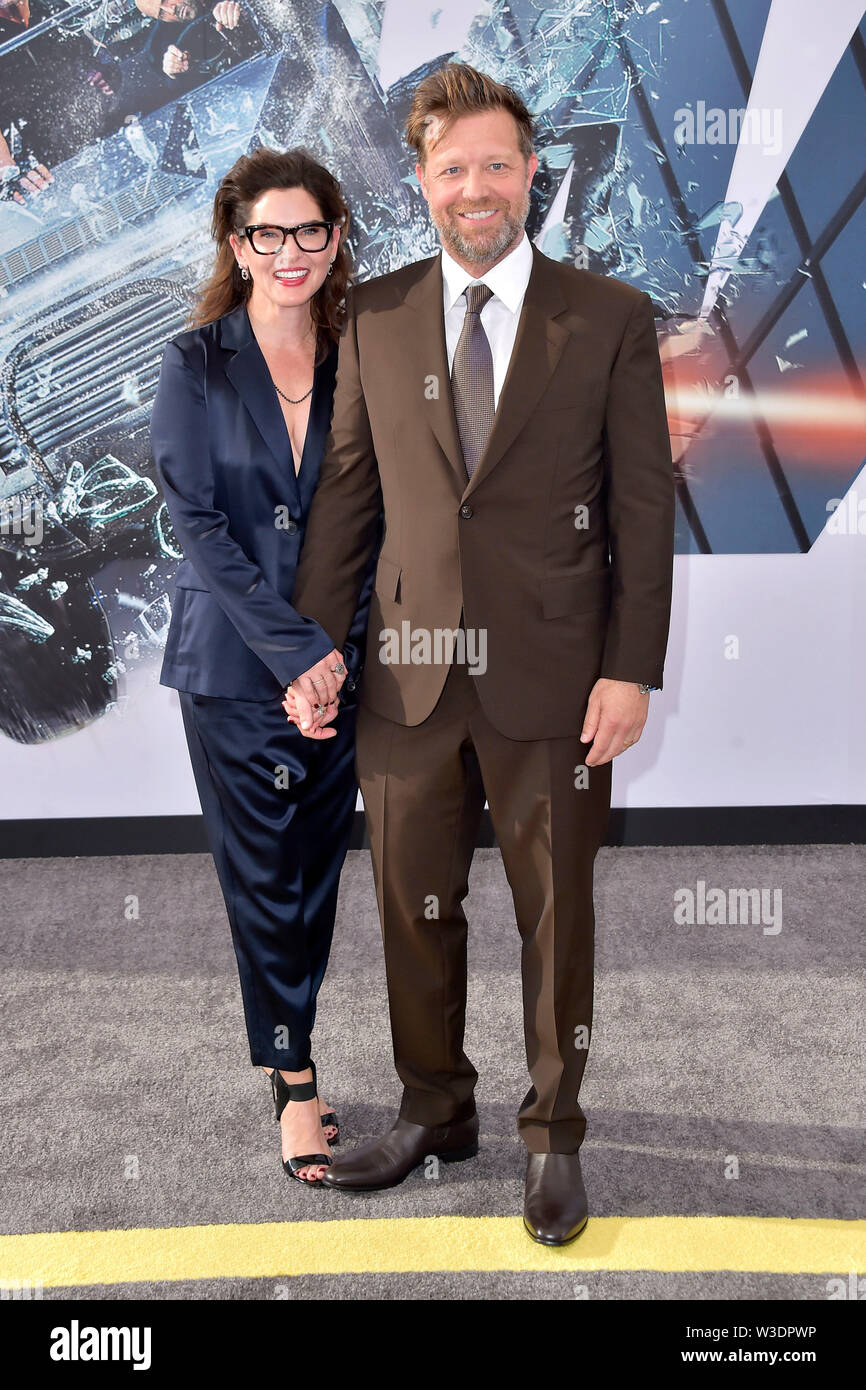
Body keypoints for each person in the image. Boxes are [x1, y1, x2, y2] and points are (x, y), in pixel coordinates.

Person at [284, 63, 675, 1243]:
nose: (474, 188)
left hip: (555, 677)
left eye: (494, 164)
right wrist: (310, 652)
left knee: (554, 917)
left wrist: (630, 666)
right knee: (413, 905)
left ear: (528, 173)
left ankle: (551, 1138)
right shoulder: (377, 314)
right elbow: (347, 500)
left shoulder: (603, 316)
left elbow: (641, 509)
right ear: (420, 181)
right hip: (406, 673)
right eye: (450, 168)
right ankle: (432, 1110)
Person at [149, 146, 379, 1186]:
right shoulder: (195, 363)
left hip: (342, 660)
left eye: (309, 231)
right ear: (234, 244)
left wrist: (332, 656)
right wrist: (297, 655)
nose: (290, 253)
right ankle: (293, 1077)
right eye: (266, 234)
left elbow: (381, 512)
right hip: (234, 666)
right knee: (262, 877)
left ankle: (291, 1041)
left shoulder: (364, 355)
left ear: (336, 236)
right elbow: (196, 521)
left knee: (315, 869)